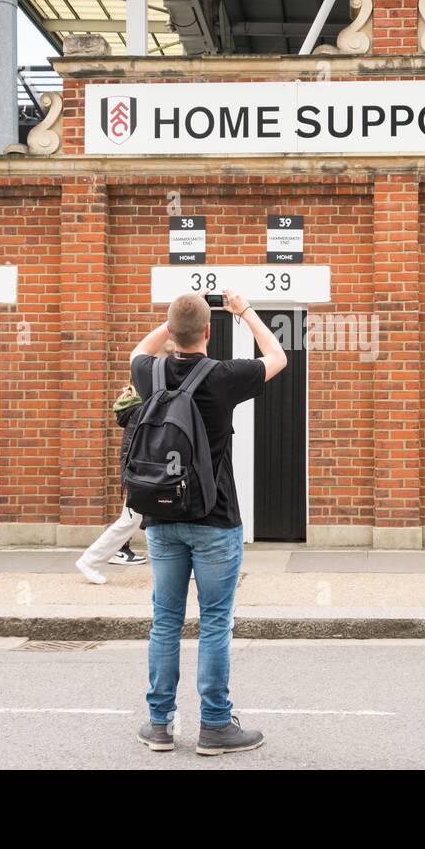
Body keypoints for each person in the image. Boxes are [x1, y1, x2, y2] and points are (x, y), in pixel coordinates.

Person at [132, 289, 286, 756]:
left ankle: (160, 724)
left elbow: (140, 348)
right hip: (216, 518)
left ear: (172, 332)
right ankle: (215, 726)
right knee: (215, 621)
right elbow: (277, 355)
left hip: (160, 515)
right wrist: (243, 311)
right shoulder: (221, 377)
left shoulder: (149, 371)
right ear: (208, 332)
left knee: (165, 620)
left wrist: (175, 317)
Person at [75, 381, 148, 583]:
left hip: (142, 473)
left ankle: (90, 561)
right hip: (143, 475)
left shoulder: (140, 405)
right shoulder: (146, 407)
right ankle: (90, 561)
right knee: (130, 520)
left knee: (134, 520)